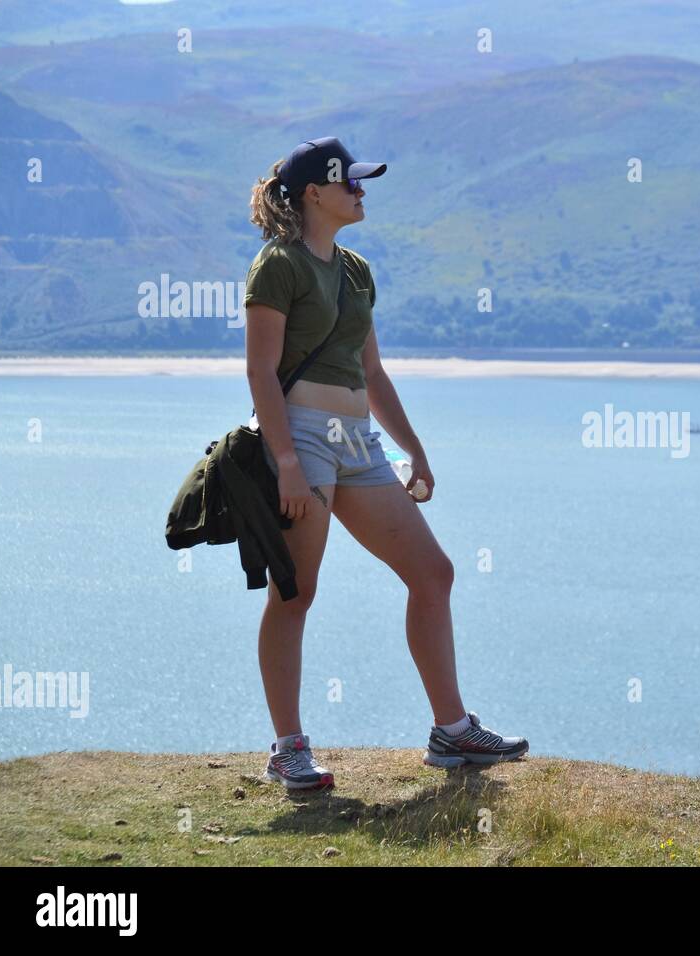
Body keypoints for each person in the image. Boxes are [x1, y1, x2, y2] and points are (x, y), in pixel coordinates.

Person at [244, 137, 528, 789]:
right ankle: (289, 748)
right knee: (297, 591)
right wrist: (286, 461)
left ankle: (452, 732)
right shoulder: (278, 265)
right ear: (315, 192)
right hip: (303, 438)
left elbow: (371, 371)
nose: (361, 191)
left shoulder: (356, 270)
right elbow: (260, 371)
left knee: (433, 572)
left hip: (358, 441)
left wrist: (414, 448)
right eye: (350, 182)